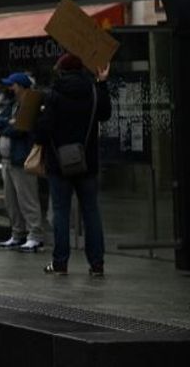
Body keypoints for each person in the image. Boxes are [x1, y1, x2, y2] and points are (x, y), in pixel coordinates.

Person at [35, 53, 112, 276]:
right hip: (87, 163)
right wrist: (103, 82)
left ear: (61, 71)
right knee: (91, 212)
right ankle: (96, 265)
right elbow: (105, 114)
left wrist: (36, 126)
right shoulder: (93, 92)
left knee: (60, 212)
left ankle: (60, 264)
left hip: (59, 165)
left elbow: (43, 131)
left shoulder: (54, 95)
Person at [0, 72, 46, 252]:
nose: (9, 88)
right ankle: (17, 233)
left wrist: (9, 126)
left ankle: (35, 235)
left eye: (12, 85)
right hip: (7, 160)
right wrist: (9, 122)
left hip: (21, 159)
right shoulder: (12, 105)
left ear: (21, 86)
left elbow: (20, 130)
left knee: (27, 199)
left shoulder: (30, 104)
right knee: (11, 201)